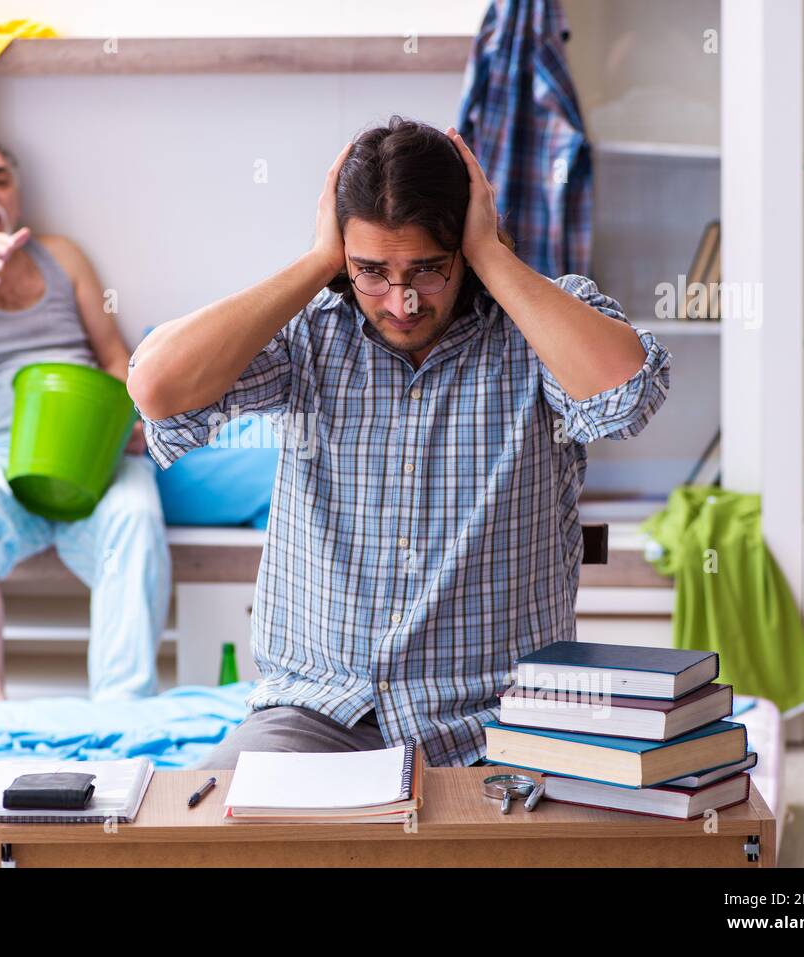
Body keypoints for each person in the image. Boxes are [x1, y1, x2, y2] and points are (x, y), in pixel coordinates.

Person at [127, 116, 671, 769]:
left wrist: (491, 252)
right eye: (371, 271)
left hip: (502, 719)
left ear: (463, 247)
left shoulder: (538, 322)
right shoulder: (309, 332)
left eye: (428, 269)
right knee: (207, 843)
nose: (402, 300)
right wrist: (318, 263)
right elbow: (156, 387)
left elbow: (628, 394)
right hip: (318, 712)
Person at [0, 135, 170, 704]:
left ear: (16, 196)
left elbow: (115, 355)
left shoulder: (61, 256)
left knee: (136, 515)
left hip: (90, 452)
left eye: (0, 179)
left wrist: (131, 414)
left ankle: (123, 713)